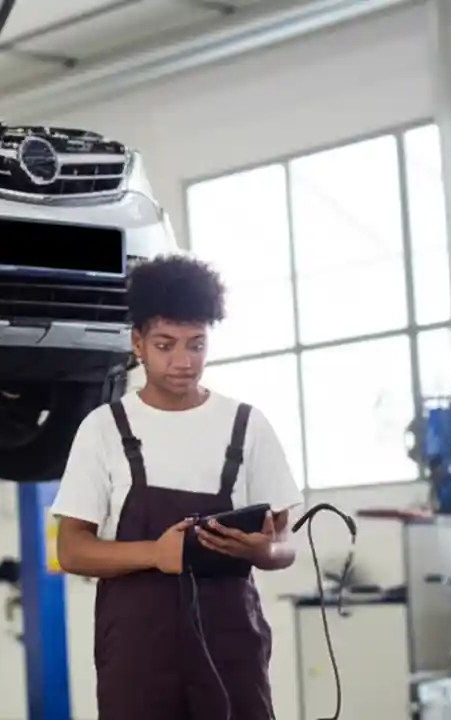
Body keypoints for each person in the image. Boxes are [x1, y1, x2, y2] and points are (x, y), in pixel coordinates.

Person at [51, 254, 304, 720]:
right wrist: (155, 554)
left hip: (231, 650)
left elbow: (285, 546)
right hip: (138, 656)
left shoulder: (246, 425)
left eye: (196, 345)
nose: (183, 362)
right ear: (138, 342)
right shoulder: (104, 428)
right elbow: (72, 550)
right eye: (166, 345)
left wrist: (260, 551)